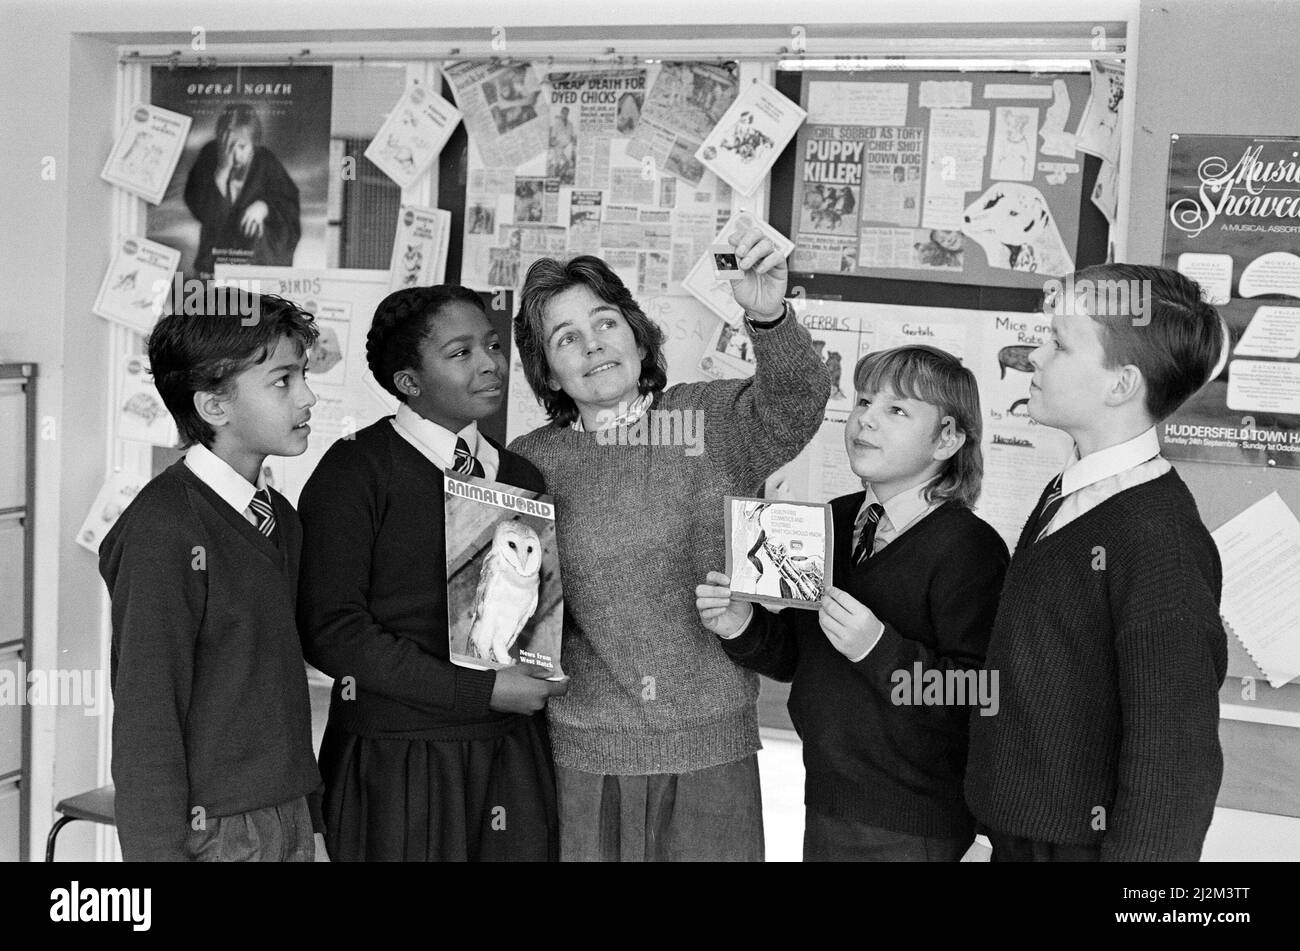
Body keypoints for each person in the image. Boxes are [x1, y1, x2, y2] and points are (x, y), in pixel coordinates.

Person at [508, 223, 833, 861]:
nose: (593, 347)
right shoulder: (529, 462)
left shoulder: (707, 422)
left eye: (604, 323)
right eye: (566, 338)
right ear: (547, 368)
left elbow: (796, 402)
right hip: (583, 749)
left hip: (710, 748)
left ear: (636, 332)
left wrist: (768, 317)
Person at [697, 345, 1009, 861]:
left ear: (949, 439)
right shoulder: (837, 520)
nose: (866, 421)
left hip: (914, 825)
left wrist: (878, 649)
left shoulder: (970, 549)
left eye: (897, 410)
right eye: (864, 401)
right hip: (826, 802)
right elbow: (800, 656)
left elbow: (977, 692)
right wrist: (742, 626)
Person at [965, 264, 1228, 861]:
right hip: (1020, 837)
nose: (1034, 355)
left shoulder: (1162, 545)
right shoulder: (1072, 491)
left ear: (1121, 385)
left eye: (1059, 343)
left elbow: (1174, 766)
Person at [297, 285, 568, 862]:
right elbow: (332, 631)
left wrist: (545, 667)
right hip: (398, 761)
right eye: (461, 352)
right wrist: (481, 691)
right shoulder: (354, 470)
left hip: (511, 754)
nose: (491, 363)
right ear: (409, 383)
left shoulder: (518, 471)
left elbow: (531, 612)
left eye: (492, 345)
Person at [100, 287, 324, 861]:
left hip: (289, 814)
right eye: (283, 381)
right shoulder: (163, 530)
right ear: (214, 407)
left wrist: (312, 823)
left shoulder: (279, 520)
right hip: (216, 834)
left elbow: (274, 689)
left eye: (303, 375)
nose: (308, 397)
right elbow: (146, 721)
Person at [183, 103, 301, 279]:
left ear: (254, 144)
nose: (235, 155)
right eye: (228, 146)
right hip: (213, 266)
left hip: (256, 266)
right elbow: (200, 210)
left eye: (242, 147)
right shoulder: (209, 155)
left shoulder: (266, 161)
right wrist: (221, 174)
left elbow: (289, 205)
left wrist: (265, 207)